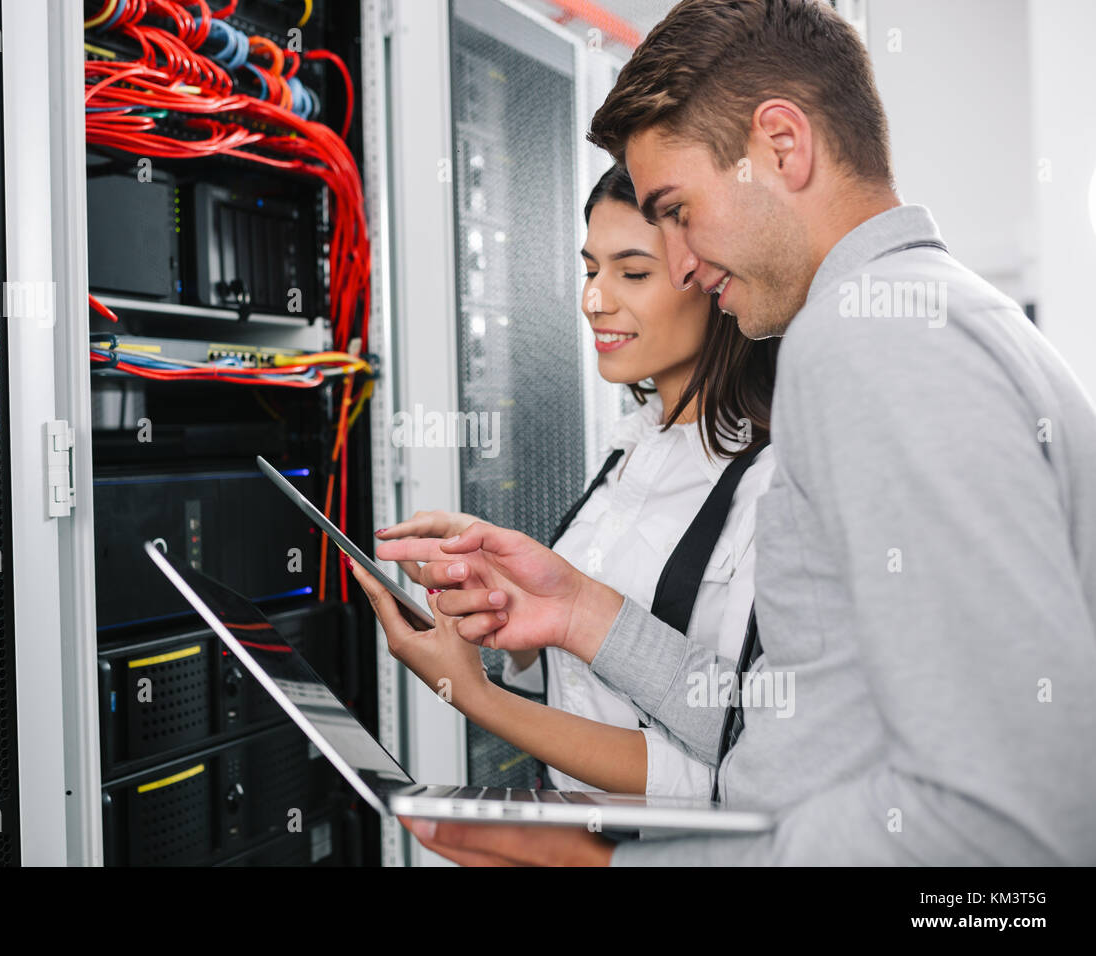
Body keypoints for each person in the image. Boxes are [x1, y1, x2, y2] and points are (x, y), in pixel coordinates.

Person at [358, 0, 1096, 865]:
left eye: (676, 210)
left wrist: (610, 865)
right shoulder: (934, 317)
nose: (678, 266)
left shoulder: (870, 342)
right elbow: (783, 719)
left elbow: (1004, 828)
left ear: (782, 145)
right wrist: (574, 608)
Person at [353, 163, 776, 797]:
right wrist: (502, 591)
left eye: (632, 272)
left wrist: (479, 698)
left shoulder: (769, 485)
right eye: (590, 269)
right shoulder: (631, 449)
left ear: (712, 277)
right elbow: (580, 687)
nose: (594, 299)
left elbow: (730, 756)